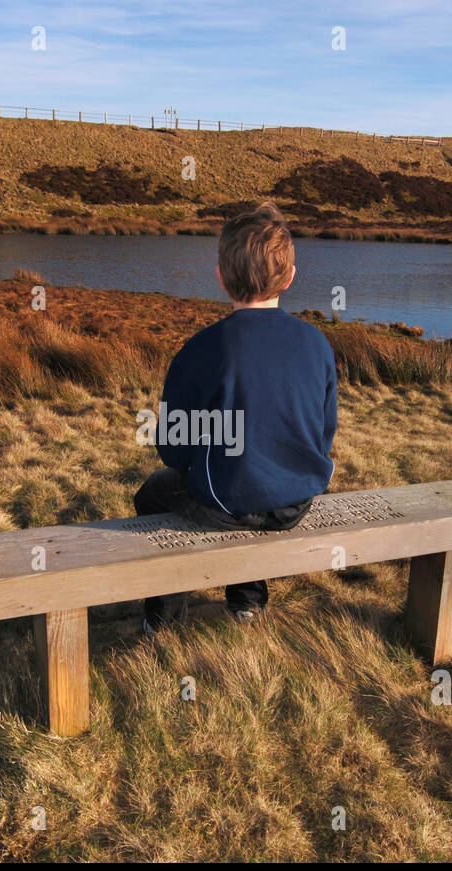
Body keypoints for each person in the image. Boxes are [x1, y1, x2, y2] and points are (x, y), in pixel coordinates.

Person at [135, 201, 338, 630]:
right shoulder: (316, 343)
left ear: (221, 277)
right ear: (290, 277)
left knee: (154, 494)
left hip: (226, 502)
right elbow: (323, 436)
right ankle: (248, 603)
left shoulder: (200, 350)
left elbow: (173, 453)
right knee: (251, 482)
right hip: (297, 501)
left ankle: (163, 618)